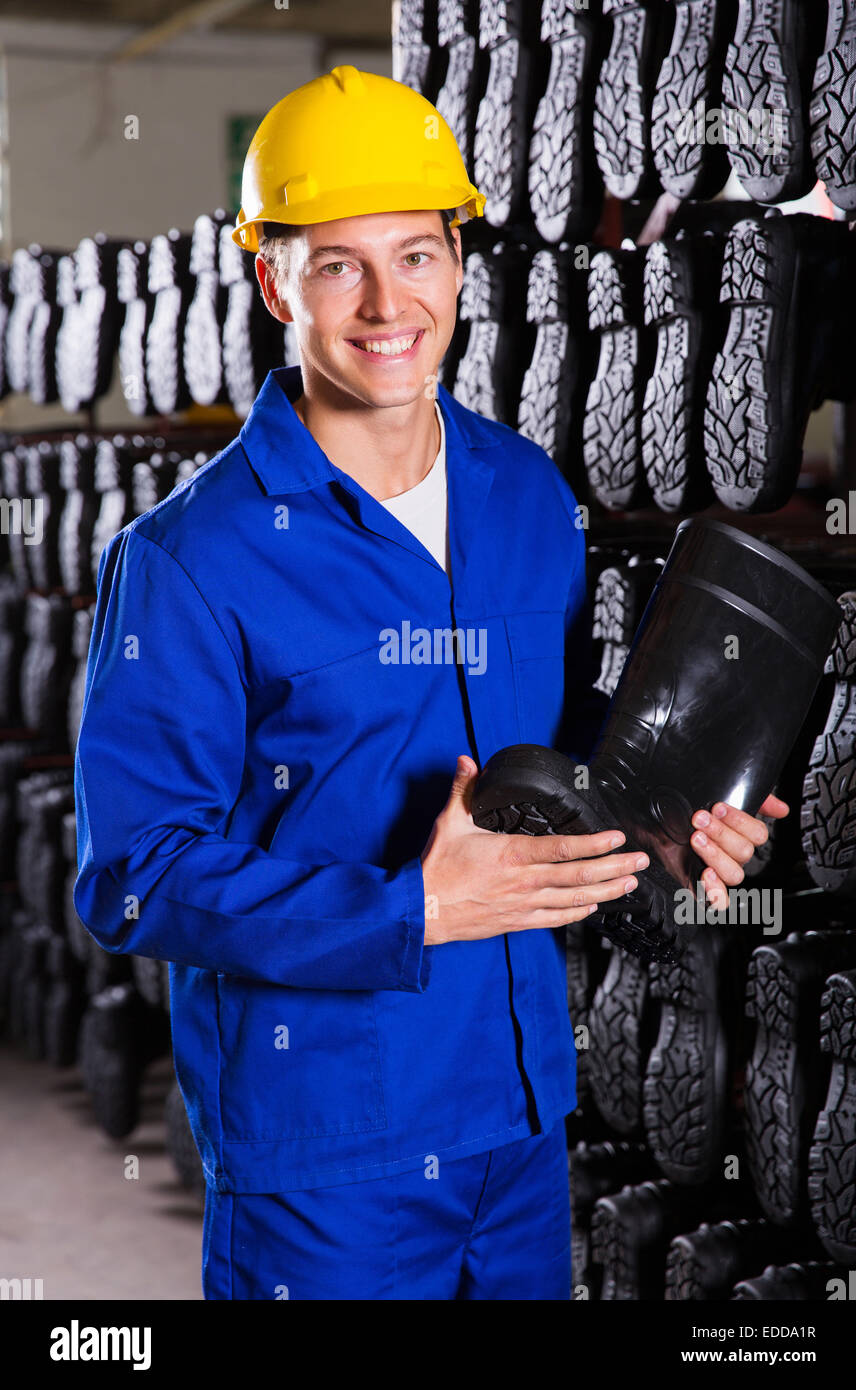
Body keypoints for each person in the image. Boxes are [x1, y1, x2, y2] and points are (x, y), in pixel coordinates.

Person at [73, 66, 786, 1301]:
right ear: (273, 283)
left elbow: (554, 746)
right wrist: (412, 907)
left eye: (414, 254)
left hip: (518, 1116)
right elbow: (131, 873)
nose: (384, 303)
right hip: (323, 1154)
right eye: (336, 265)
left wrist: (670, 819)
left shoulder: (525, 494)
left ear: (458, 263)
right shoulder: (189, 559)